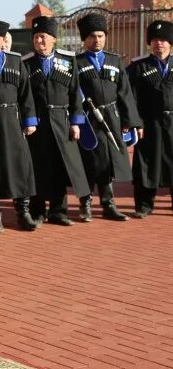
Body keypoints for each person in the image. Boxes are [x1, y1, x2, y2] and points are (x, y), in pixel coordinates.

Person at [23, 16, 90, 225]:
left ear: (53, 38)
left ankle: (58, 211)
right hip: (38, 123)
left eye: (43, 37)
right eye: (36, 37)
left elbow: (75, 94)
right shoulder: (26, 64)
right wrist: (29, 121)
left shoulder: (68, 61)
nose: (39, 41)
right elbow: (25, 96)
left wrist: (76, 123)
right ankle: (37, 211)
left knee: (61, 166)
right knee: (38, 166)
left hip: (62, 122)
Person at [75, 13, 141, 221]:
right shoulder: (76, 62)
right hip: (88, 119)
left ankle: (108, 204)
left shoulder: (115, 60)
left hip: (112, 117)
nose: (97, 40)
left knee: (108, 163)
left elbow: (125, 92)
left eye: (101, 36)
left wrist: (129, 121)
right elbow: (73, 93)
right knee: (89, 161)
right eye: (92, 36)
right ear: (84, 39)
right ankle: (85, 204)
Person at [0, 20, 38, 232]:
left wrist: (30, 120)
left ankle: (23, 213)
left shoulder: (15, 61)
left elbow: (26, 93)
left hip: (14, 121)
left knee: (21, 166)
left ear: (3, 40)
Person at [126, 20, 173, 218]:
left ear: (170, 43)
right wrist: (135, 123)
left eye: (162, 39)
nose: (158, 43)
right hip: (148, 123)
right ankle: (144, 205)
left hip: (172, 122)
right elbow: (130, 97)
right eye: (154, 39)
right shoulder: (139, 66)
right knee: (146, 164)